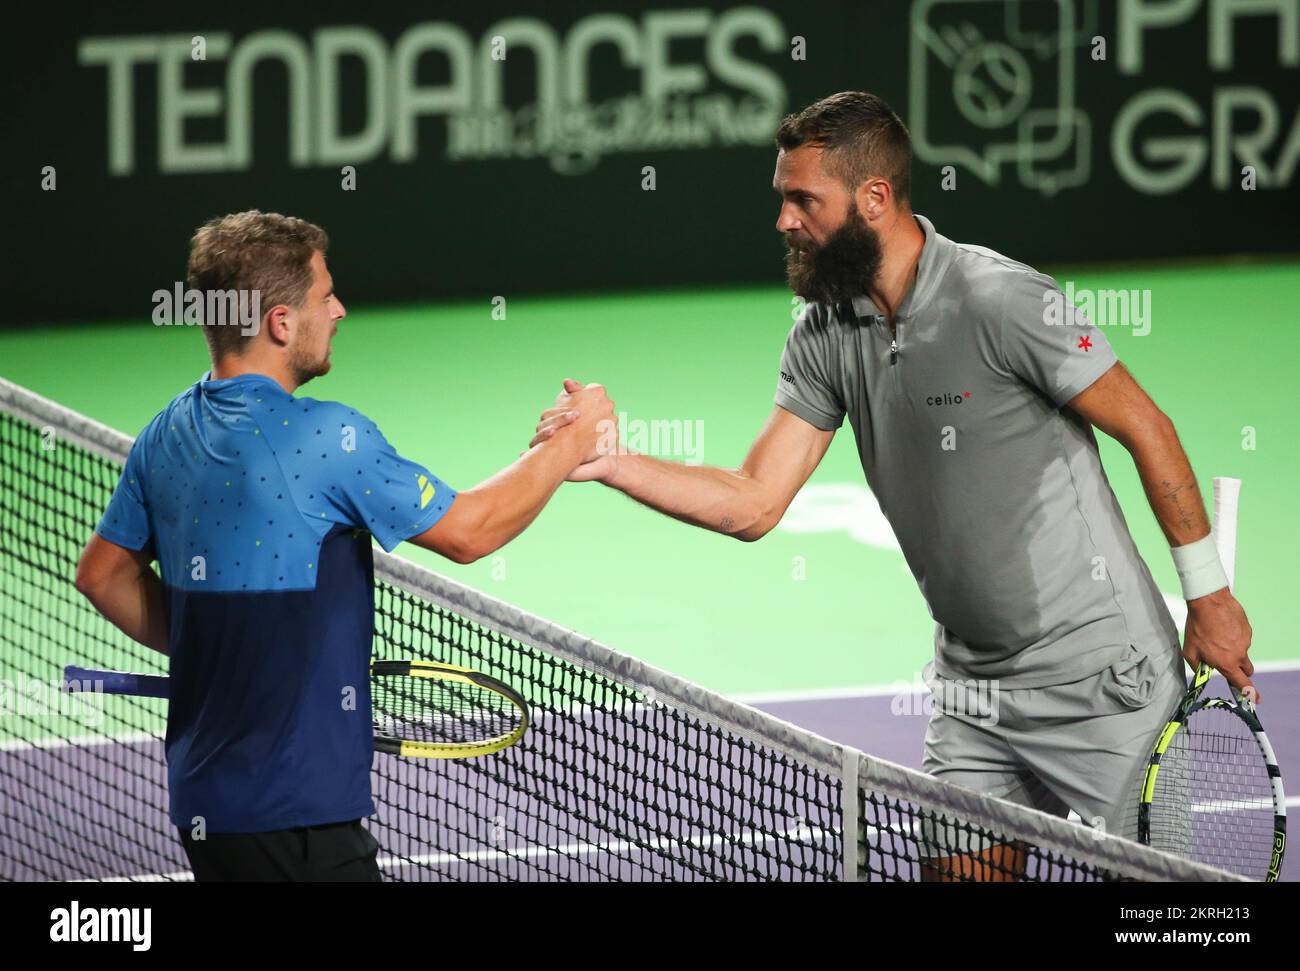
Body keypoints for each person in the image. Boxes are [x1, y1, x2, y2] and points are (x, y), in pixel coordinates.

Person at [530, 91, 1254, 880]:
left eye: (802, 199)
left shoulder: (1002, 299)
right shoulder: (823, 333)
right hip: (973, 691)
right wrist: (607, 458)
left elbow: (1148, 428)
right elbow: (754, 499)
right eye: (782, 199)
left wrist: (1209, 597)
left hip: (1104, 679)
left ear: (874, 198)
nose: (784, 221)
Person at [74, 210, 614, 881]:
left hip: (205, 808)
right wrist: (574, 440)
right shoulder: (328, 440)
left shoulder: (166, 431)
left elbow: (102, 576)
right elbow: (473, 531)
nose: (340, 310)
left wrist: (216, 652)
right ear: (280, 322)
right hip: (300, 822)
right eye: (324, 296)